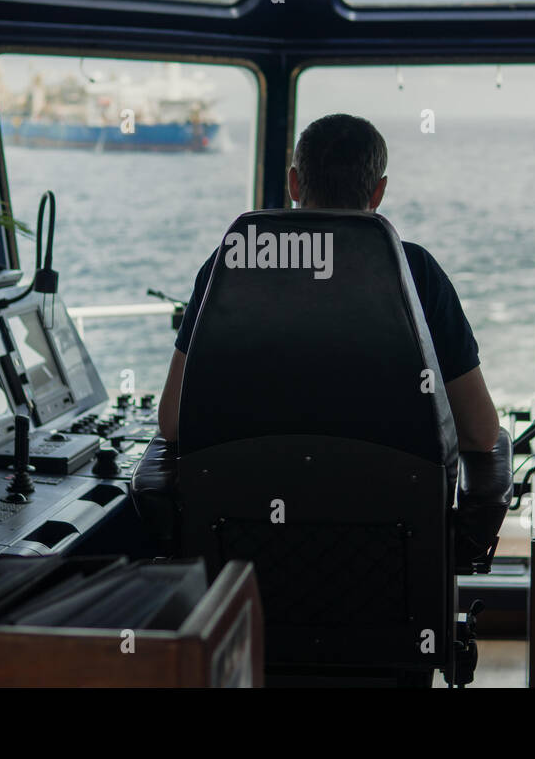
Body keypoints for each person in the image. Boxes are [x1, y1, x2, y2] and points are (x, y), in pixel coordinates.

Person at [134, 113, 510, 561]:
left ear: (294, 183)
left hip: (243, 566)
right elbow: (481, 433)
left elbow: (173, 422)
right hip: (390, 565)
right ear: (379, 192)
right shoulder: (418, 274)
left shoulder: (232, 264)